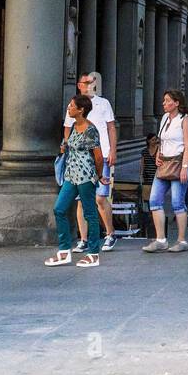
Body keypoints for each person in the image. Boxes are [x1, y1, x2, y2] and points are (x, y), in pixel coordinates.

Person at [46, 94, 104, 268]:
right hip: (71, 176)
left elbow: (98, 157)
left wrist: (98, 176)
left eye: (71, 106)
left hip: (86, 176)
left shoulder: (90, 129)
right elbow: (69, 147)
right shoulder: (72, 126)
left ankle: (93, 253)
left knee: (90, 213)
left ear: (81, 110)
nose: (68, 108)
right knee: (59, 209)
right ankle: (64, 251)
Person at [62, 73, 117, 254]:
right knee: (80, 200)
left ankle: (110, 233)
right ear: (79, 85)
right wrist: (68, 147)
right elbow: (67, 129)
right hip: (79, 159)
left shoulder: (103, 103)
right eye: (86, 82)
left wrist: (113, 150)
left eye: (92, 82)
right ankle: (83, 239)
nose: (90, 85)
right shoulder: (74, 105)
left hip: (102, 153)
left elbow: (110, 127)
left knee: (100, 197)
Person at [143, 90, 188, 254]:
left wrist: (185, 167)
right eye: (164, 100)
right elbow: (161, 140)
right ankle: (161, 239)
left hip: (180, 163)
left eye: (167, 101)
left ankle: (181, 240)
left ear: (177, 103)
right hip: (165, 164)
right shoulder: (165, 119)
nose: (164, 103)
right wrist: (158, 154)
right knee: (154, 200)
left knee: (177, 202)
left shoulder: (185, 120)